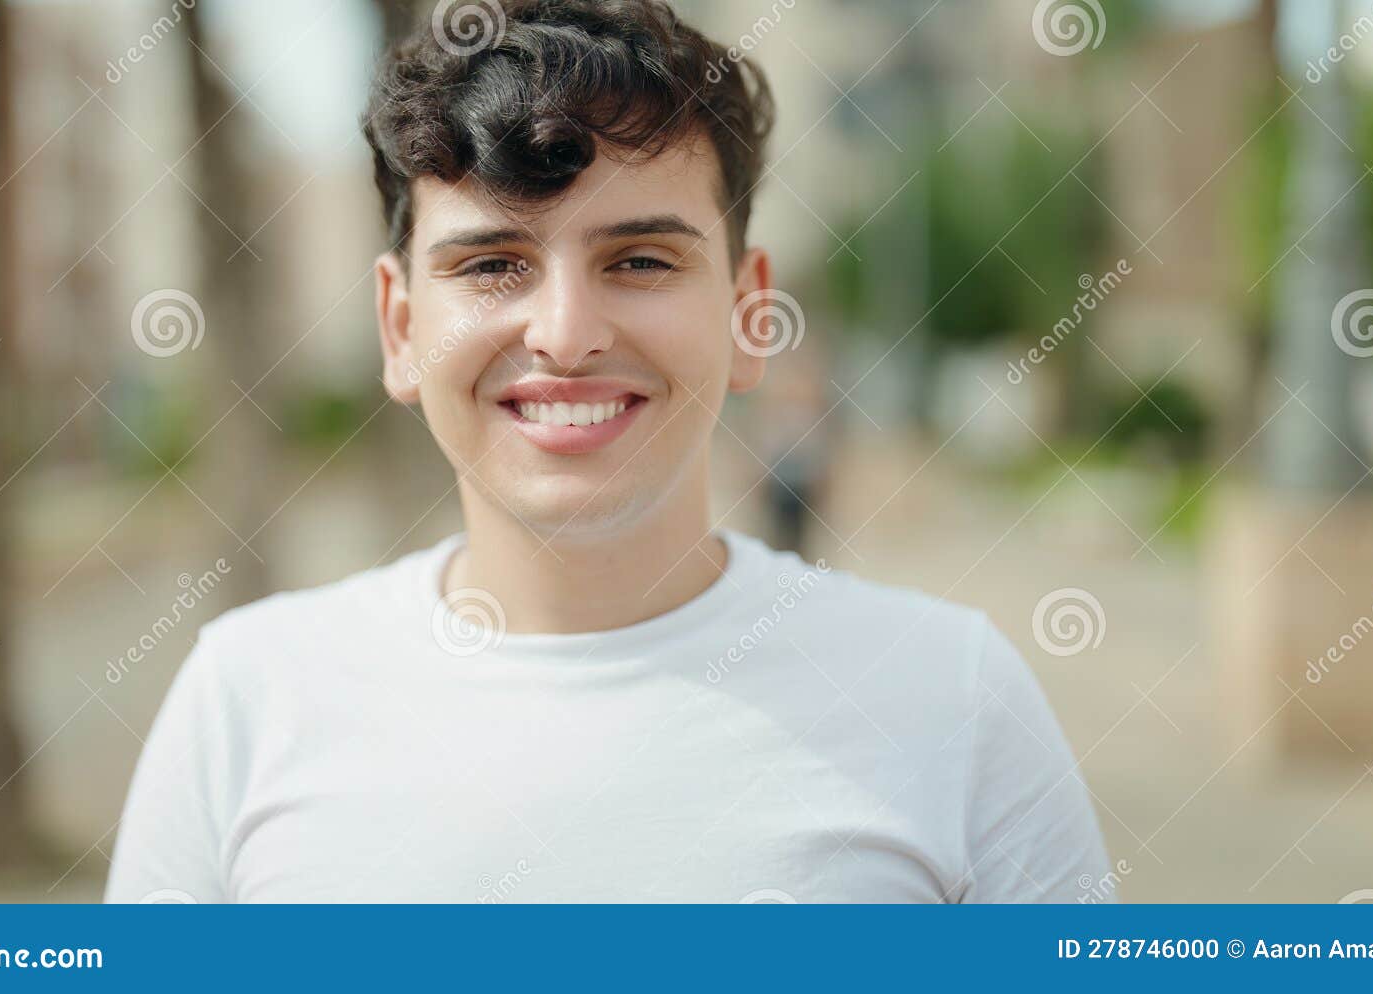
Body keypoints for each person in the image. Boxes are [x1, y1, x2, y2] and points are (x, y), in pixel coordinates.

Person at [106, 0, 1109, 903]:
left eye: (638, 260)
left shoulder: (951, 697)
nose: (566, 333)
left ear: (747, 310)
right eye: (494, 263)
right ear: (401, 327)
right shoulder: (247, 699)